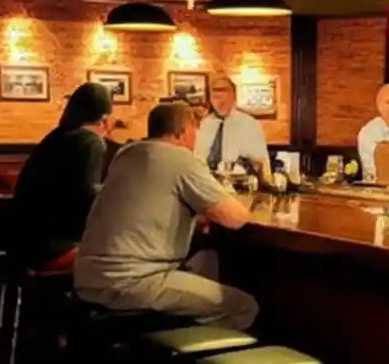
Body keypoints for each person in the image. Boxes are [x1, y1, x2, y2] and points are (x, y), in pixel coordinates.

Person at [74, 102, 258, 330]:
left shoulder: (126, 155)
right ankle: (184, 361)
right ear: (184, 131)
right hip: (135, 281)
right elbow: (235, 218)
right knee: (243, 306)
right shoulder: (180, 159)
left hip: (88, 277)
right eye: (195, 131)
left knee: (198, 274)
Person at [12, 83, 113, 271]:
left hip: (23, 244)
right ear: (105, 120)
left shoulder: (54, 137)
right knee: (123, 256)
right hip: (53, 249)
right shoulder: (90, 142)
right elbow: (87, 199)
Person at [194, 74, 269, 173]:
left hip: (239, 183)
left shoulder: (249, 124)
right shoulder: (205, 124)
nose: (220, 103)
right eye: (216, 97)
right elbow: (197, 156)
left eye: (224, 98)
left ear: (233, 97)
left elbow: (261, 162)